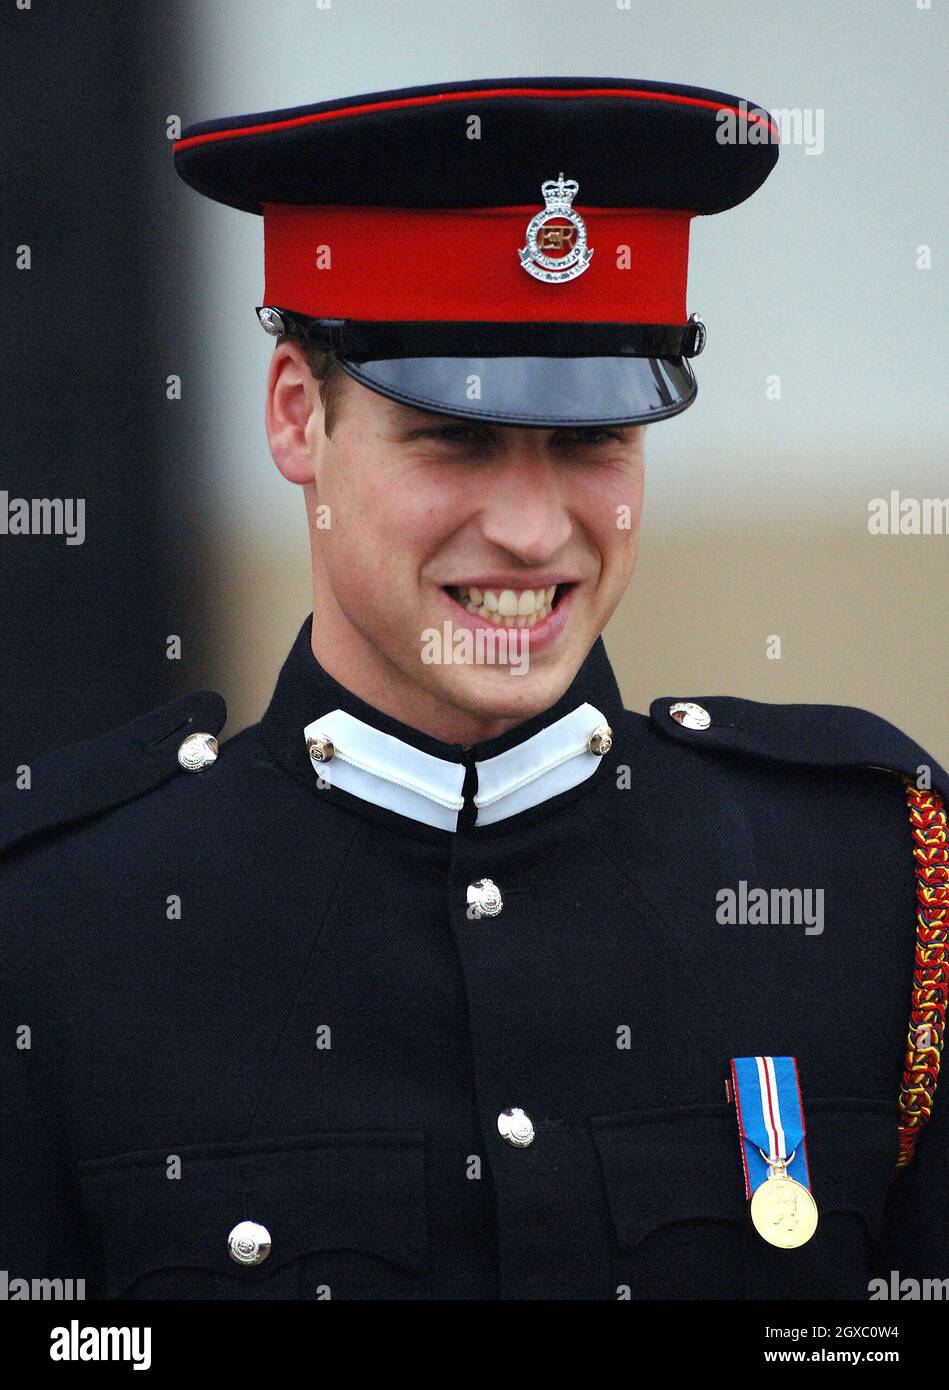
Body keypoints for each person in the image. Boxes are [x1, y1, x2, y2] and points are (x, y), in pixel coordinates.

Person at [1, 77, 945, 1302]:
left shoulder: (867, 880)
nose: (528, 527)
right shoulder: (64, 927)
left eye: (591, 441)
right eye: (453, 438)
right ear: (298, 417)